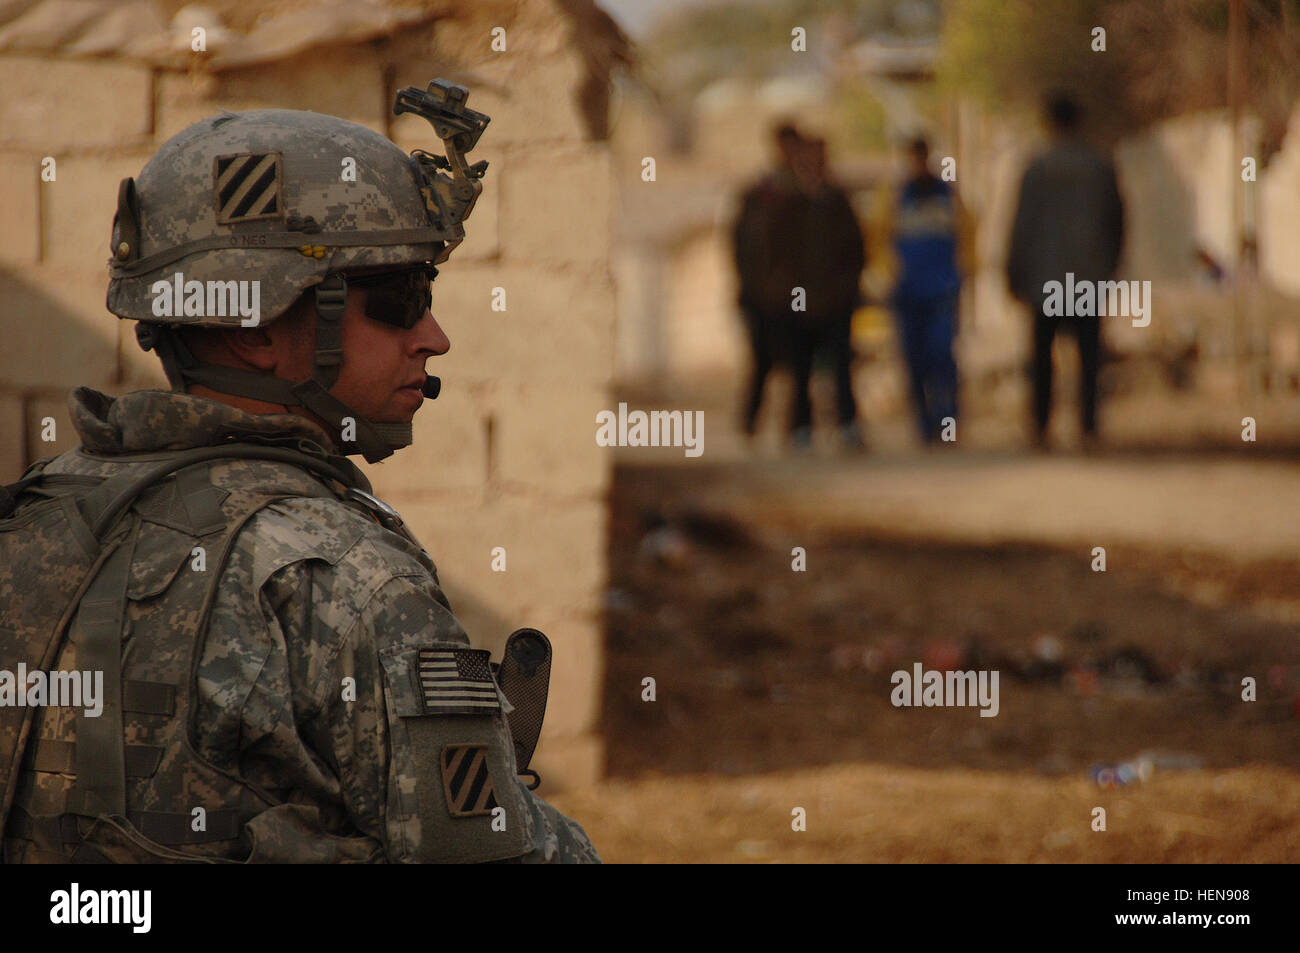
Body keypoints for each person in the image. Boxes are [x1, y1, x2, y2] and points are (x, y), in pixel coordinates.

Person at [0, 82, 599, 864]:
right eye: (400, 297)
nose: (435, 336)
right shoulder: (342, 574)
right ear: (255, 327)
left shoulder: (32, 518)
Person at [1007, 93, 1125, 450]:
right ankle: (1088, 428)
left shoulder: (1037, 167)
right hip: (1087, 277)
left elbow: (1022, 225)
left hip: (1045, 280)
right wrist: (1109, 268)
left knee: (1042, 360)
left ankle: (1041, 429)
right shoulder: (1099, 166)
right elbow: (1117, 223)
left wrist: (1014, 274)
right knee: (1089, 359)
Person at [785, 135, 868, 451]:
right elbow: (780, 254)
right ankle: (801, 429)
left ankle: (848, 425)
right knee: (801, 367)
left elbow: (855, 249)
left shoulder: (837, 201)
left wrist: (846, 289)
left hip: (836, 301)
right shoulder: (791, 203)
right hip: (799, 302)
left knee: (841, 365)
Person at [885, 137, 970, 445]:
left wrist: (960, 278)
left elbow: (966, 239)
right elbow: (883, 243)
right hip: (908, 293)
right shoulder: (895, 197)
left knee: (942, 358)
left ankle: (947, 425)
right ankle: (924, 429)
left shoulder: (948, 196)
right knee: (914, 361)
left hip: (942, 292)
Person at [732, 122, 805, 443]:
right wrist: (753, 286)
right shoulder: (759, 193)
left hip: (794, 295)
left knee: (798, 363)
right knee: (761, 362)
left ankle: (798, 428)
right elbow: (741, 245)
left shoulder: (804, 192)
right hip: (761, 296)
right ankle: (751, 424)